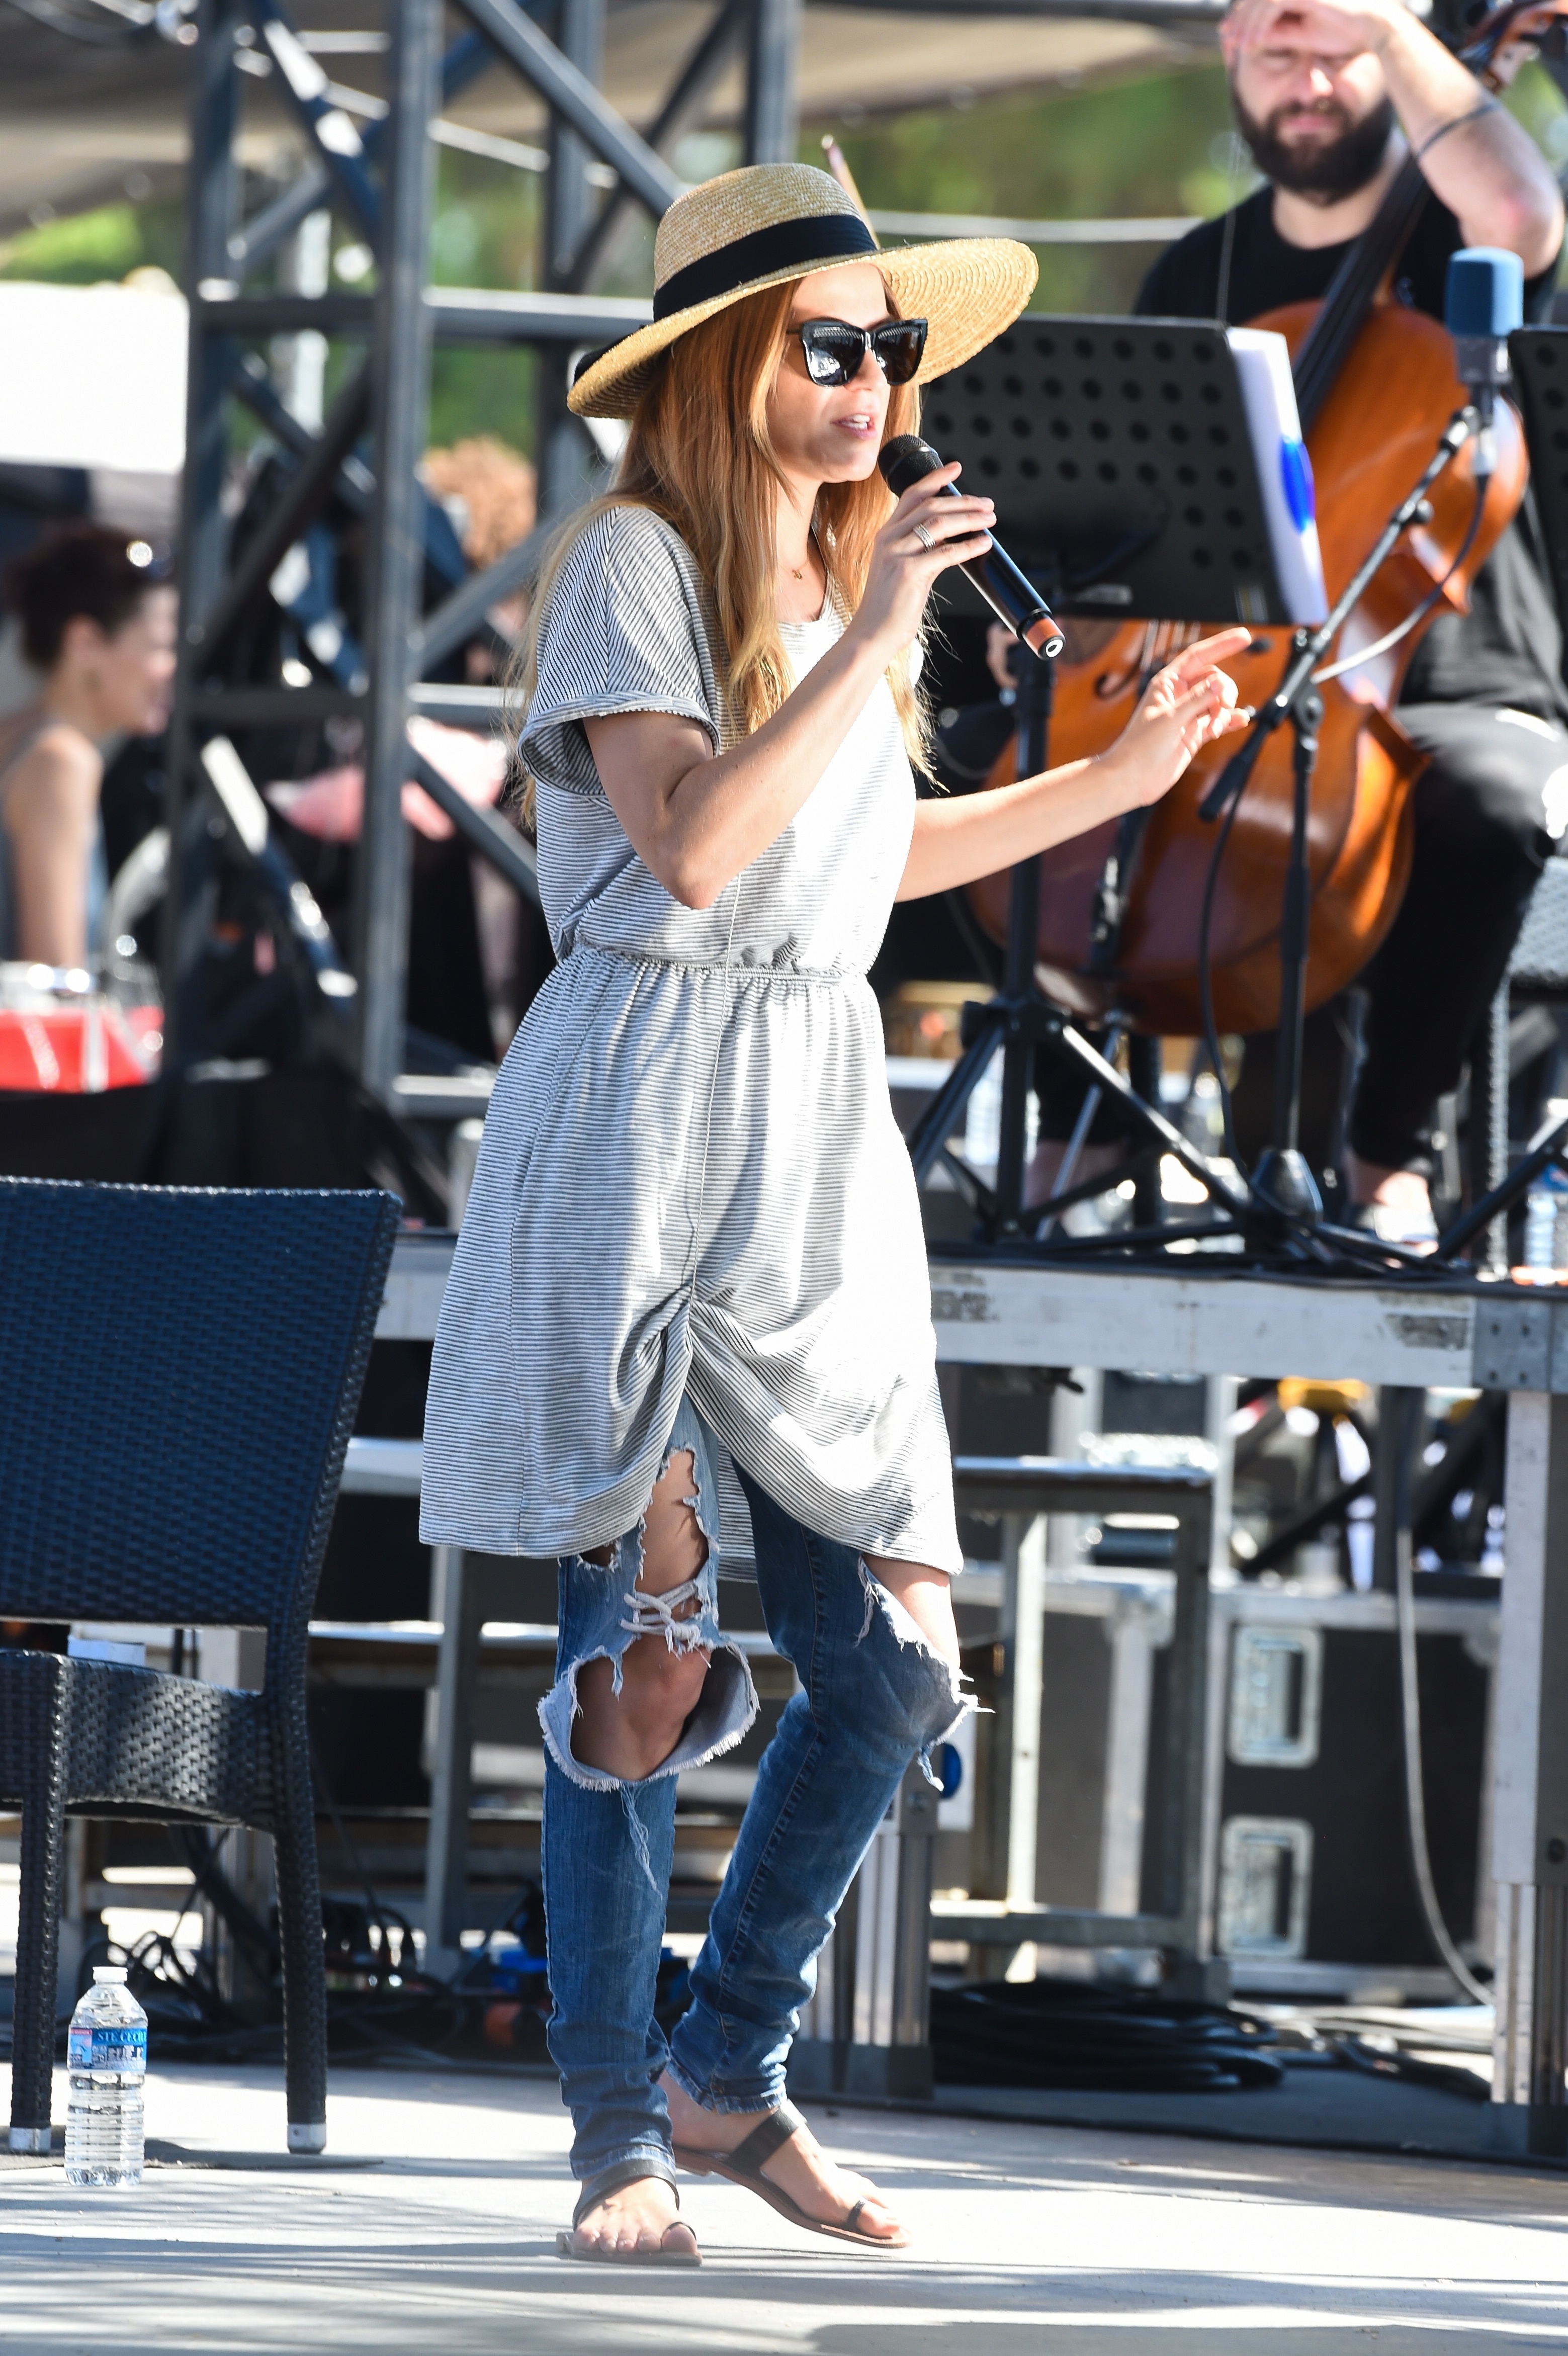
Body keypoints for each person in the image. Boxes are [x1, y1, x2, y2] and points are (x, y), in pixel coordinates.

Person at [419, 162, 1248, 2265]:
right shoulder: (629, 561)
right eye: (834, 343)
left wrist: (1117, 780)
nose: (878, 381)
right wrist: (873, 623)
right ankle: (618, 2117)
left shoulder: (831, 567)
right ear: (723, 363)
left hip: (812, 1129)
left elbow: (854, 853)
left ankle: (726, 2064)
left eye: (893, 347)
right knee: (643, 1669)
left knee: (884, 1671)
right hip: (641, 1119)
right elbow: (694, 850)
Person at [1135, 0, 1568, 1238]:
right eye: (1280, 50)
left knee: (1485, 799)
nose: (1310, 80)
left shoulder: (1461, 232)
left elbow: (1525, 218)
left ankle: (1388, 1156)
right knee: (1050, 753)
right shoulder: (1197, 272)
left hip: (1462, 673)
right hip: (1258, 664)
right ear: (1230, 52)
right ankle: (1091, 1130)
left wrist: (1386, 20)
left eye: (1339, 49)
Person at [0, 524, 176, 967]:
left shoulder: (23, 737)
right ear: (85, 643)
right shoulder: (61, 760)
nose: (171, 670)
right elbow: (58, 976)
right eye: (159, 647)